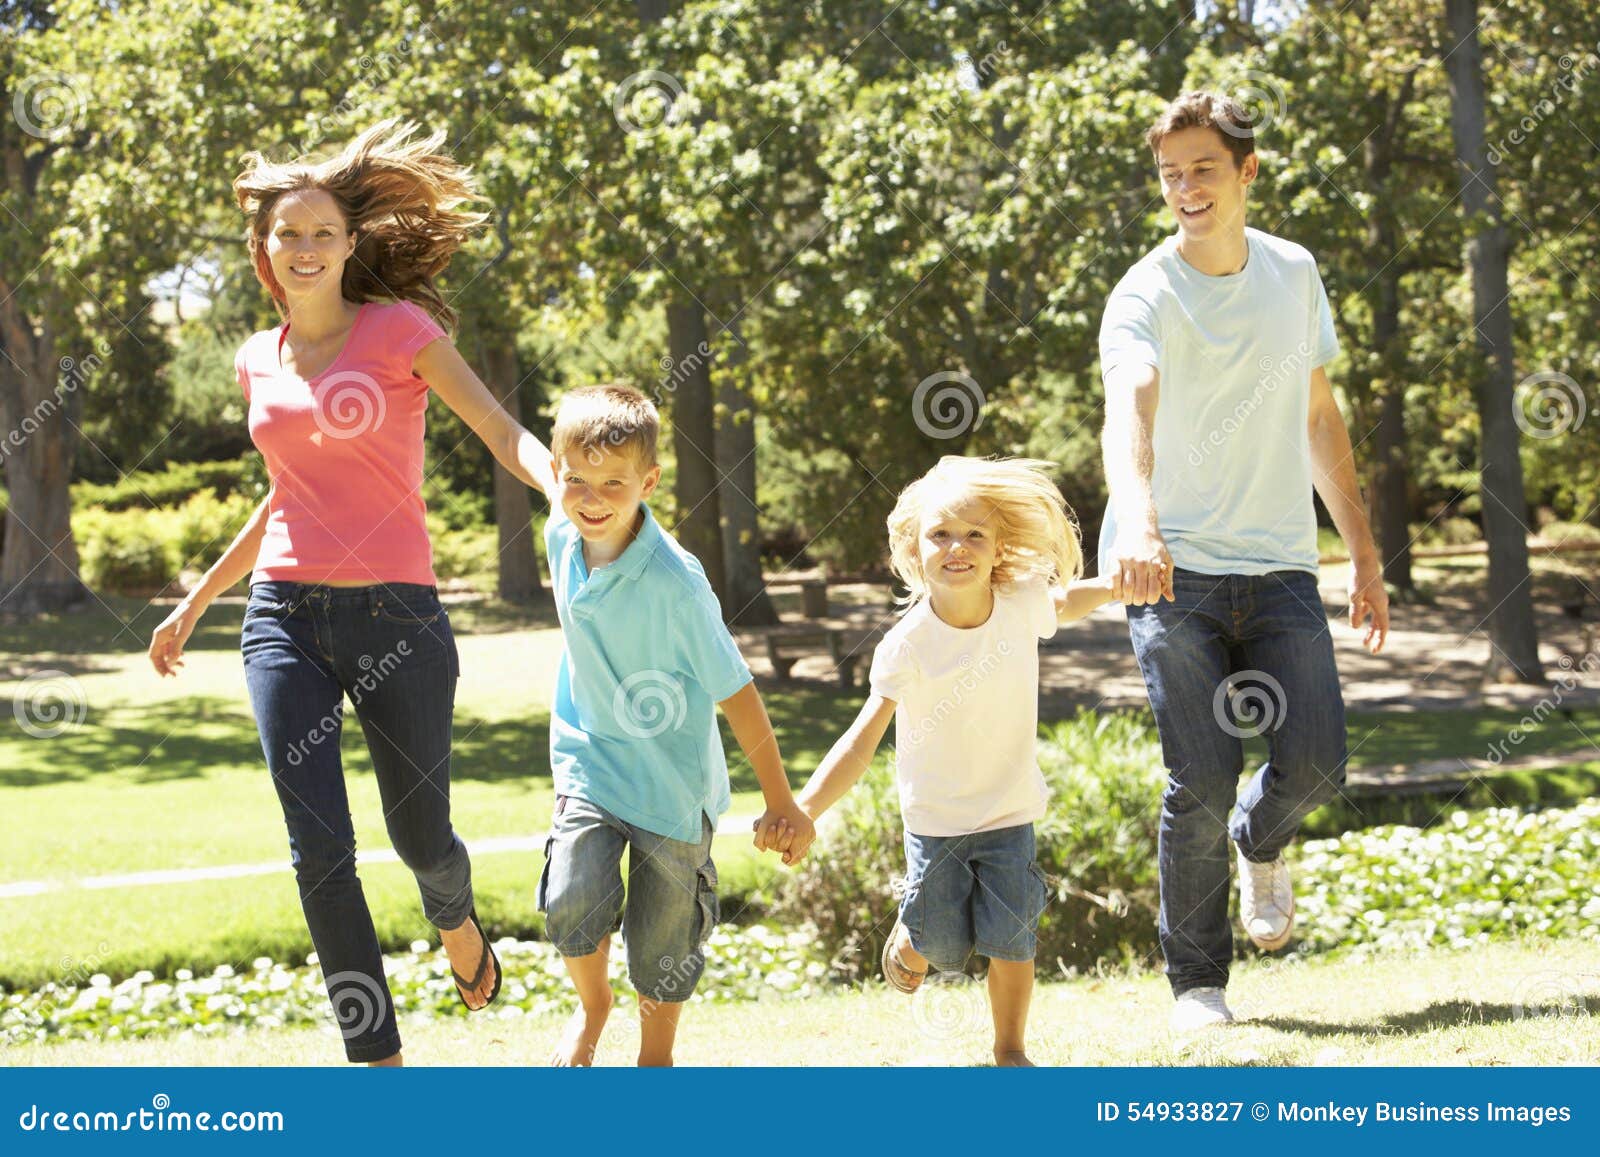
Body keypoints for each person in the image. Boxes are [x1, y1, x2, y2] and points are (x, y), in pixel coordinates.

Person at [148, 120, 562, 1065]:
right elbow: (287, 493)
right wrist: (201, 599)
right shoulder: (260, 355)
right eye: (285, 234)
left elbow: (503, 435)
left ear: (349, 245)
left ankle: (455, 919)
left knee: (420, 838)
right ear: (265, 251)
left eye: (321, 233)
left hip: (398, 614)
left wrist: (563, 487)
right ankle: (375, 1057)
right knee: (319, 852)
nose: (303, 248)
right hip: (283, 617)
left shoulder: (401, 332)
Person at [1098, 91, 1391, 1031]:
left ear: (1246, 171)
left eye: (1204, 169)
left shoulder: (1293, 272)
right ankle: (1197, 984)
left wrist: (1366, 553)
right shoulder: (1144, 292)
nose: (1185, 188)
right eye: (1171, 174)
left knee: (1315, 761)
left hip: (1279, 564)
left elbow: (1316, 415)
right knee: (1200, 772)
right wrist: (1139, 519)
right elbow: (1128, 409)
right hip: (1170, 570)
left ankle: (1259, 843)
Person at [781, 456, 1118, 1067]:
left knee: (1013, 937)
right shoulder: (905, 645)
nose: (957, 547)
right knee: (943, 944)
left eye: (975, 535)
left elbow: (1067, 601)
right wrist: (806, 809)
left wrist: (1122, 584)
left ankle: (1010, 1051)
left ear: (997, 550)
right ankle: (914, 942)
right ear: (914, 548)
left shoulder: (1018, 603)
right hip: (936, 822)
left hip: (1009, 811)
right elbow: (861, 740)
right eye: (940, 534)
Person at [533, 383, 814, 1067]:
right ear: (557, 471)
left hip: (673, 788)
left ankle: (655, 1056)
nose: (591, 498)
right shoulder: (560, 534)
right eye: (577, 479)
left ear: (648, 481)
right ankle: (593, 1006)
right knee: (571, 898)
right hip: (590, 759)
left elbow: (739, 694)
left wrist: (781, 799)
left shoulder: (677, 584)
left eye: (613, 483)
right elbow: (520, 452)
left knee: (664, 939)